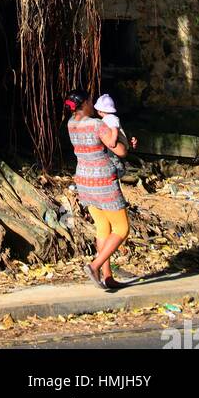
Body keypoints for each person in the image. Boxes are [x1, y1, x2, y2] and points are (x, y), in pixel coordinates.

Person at [65, 88, 129, 290]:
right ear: (84, 103)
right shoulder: (96, 124)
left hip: (84, 180)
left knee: (103, 227)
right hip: (103, 181)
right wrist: (118, 130)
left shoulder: (71, 124)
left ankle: (107, 277)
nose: (93, 105)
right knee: (122, 228)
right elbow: (118, 148)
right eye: (91, 102)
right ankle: (95, 266)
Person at [93, 92, 138, 178]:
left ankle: (120, 170)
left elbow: (114, 130)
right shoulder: (110, 118)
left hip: (117, 142)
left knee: (113, 157)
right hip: (119, 142)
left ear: (100, 111)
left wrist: (113, 140)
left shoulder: (110, 119)